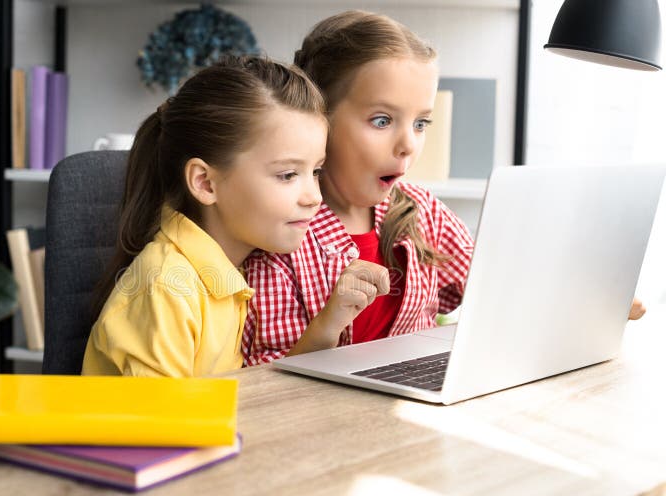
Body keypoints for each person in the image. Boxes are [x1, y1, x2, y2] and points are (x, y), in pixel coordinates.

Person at [242, 10, 646, 367]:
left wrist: (584, 305)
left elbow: (500, 289)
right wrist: (327, 325)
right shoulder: (281, 235)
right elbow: (265, 385)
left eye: (421, 123)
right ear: (319, 119)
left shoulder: (422, 211)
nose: (408, 144)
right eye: (382, 121)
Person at [83, 56, 327, 377]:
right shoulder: (166, 288)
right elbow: (159, 426)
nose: (315, 197)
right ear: (205, 183)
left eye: (317, 171)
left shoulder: (238, 268)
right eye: (287, 175)